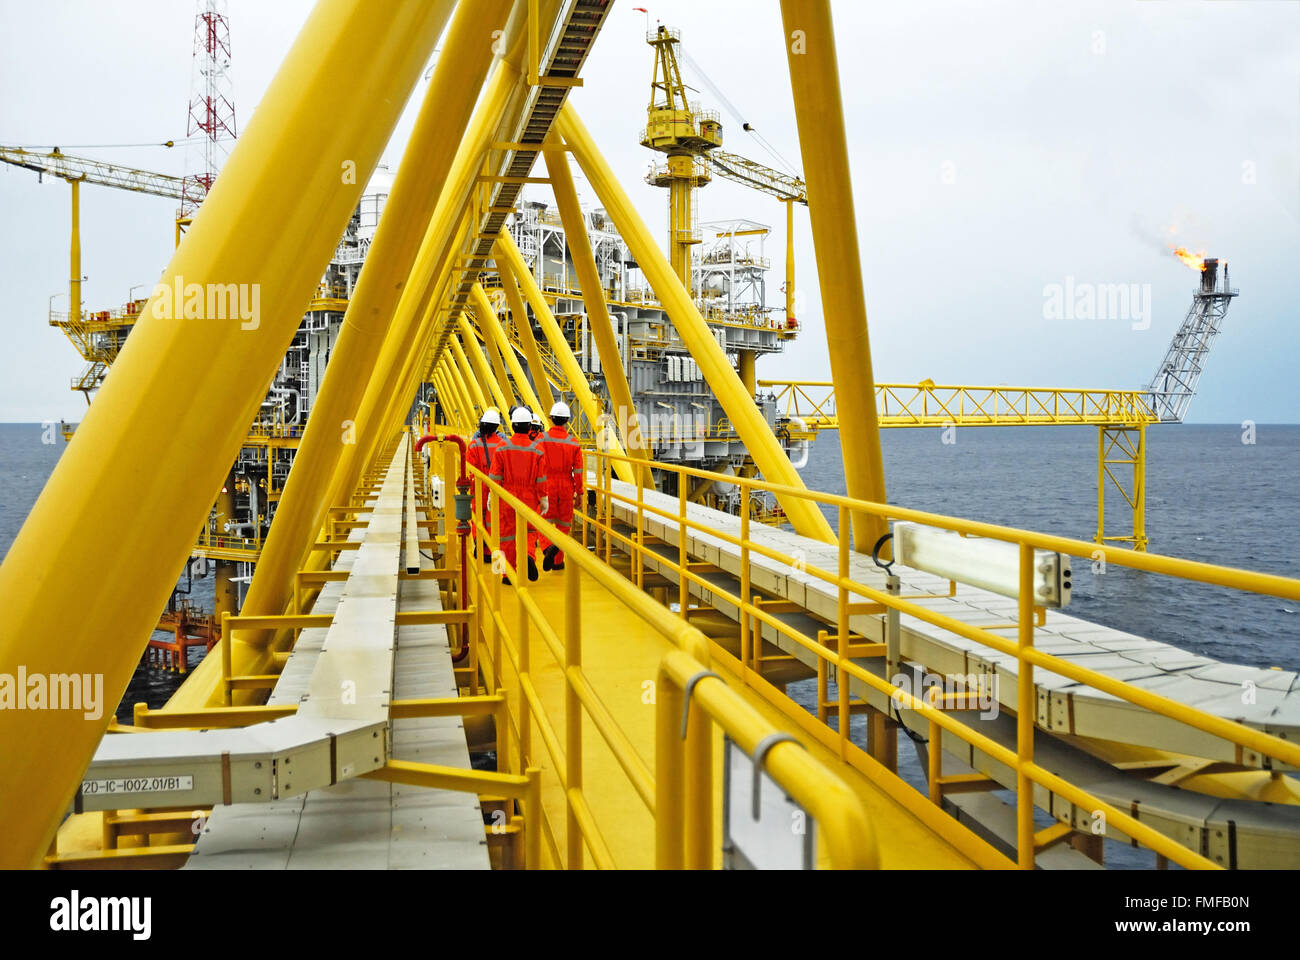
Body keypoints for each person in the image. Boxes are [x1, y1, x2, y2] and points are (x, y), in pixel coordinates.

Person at [488, 406, 547, 584]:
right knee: (529, 530)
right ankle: (529, 555)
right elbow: (541, 478)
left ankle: (507, 573)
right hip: (529, 497)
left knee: (507, 534)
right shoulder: (537, 449)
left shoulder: (502, 446)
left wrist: (492, 496)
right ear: (530, 426)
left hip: (507, 496)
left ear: (513, 426)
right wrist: (543, 499)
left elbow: (495, 475)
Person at [537, 401, 584, 571]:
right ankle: (558, 562)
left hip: (547, 484)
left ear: (551, 419)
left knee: (544, 521)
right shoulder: (573, 442)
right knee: (563, 524)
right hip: (566, 485)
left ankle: (547, 547)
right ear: (566, 420)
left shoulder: (542, 438)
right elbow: (578, 470)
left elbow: (536, 461)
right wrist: (579, 492)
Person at [465, 408, 504, 564]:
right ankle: (490, 550)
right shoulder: (502, 444)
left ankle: (478, 541)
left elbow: (469, 469)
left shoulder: (474, 445)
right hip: (497, 486)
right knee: (493, 519)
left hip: (479, 486)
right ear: (496, 427)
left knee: (478, 518)